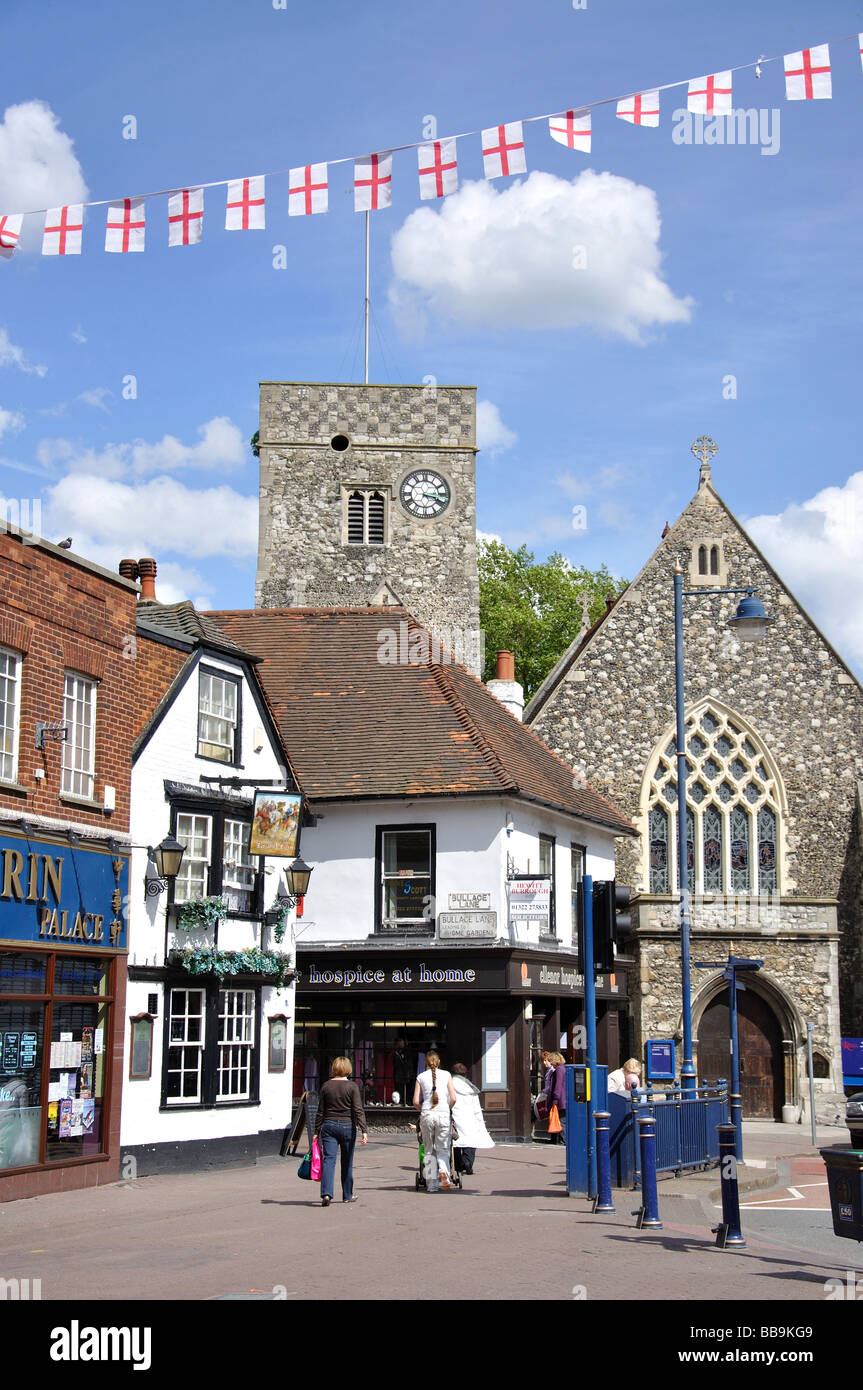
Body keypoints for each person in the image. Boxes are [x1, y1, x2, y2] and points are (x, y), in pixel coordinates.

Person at [315, 1056, 368, 1207]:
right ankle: (347, 1195)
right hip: (347, 1126)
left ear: (334, 1069)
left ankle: (326, 1193)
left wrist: (316, 1130)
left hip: (329, 1126)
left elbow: (320, 1111)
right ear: (348, 1069)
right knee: (347, 1162)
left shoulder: (326, 1086)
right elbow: (358, 1110)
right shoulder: (352, 1087)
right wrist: (364, 1130)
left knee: (329, 1160)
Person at [413, 1050, 457, 1192]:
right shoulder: (447, 1075)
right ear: (439, 1062)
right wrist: (447, 1108)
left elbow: (415, 1101)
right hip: (443, 1113)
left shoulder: (420, 1077)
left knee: (428, 1149)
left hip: (427, 1113)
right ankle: (444, 1171)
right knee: (443, 1147)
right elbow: (454, 1098)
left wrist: (423, 1110)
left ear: (426, 1062)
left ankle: (432, 1185)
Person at [451, 1063, 494, 1175]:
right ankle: (467, 1162)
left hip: (455, 1117)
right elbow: (476, 1108)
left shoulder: (449, 1085)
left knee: (455, 1142)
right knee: (470, 1141)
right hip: (469, 1118)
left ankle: (457, 1165)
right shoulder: (470, 1088)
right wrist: (479, 1121)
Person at [547, 1051, 567, 1144]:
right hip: (562, 1099)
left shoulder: (559, 1070)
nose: (550, 1063)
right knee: (562, 1120)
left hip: (560, 1100)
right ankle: (561, 1140)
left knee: (561, 1121)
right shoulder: (563, 1068)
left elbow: (558, 1085)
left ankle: (563, 1141)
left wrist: (555, 1099)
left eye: (551, 1061)